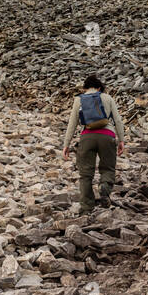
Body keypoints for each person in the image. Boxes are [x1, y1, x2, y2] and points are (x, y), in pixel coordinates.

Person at [63, 75, 125, 214]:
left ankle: (86, 207)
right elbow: (118, 120)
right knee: (108, 168)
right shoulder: (107, 98)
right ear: (99, 88)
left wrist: (66, 144)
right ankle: (104, 187)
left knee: (85, 175)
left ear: (85, 89)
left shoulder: (79, 99)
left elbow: (72, 123)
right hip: (107, 136)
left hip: (87, 137)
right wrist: (121, 140)